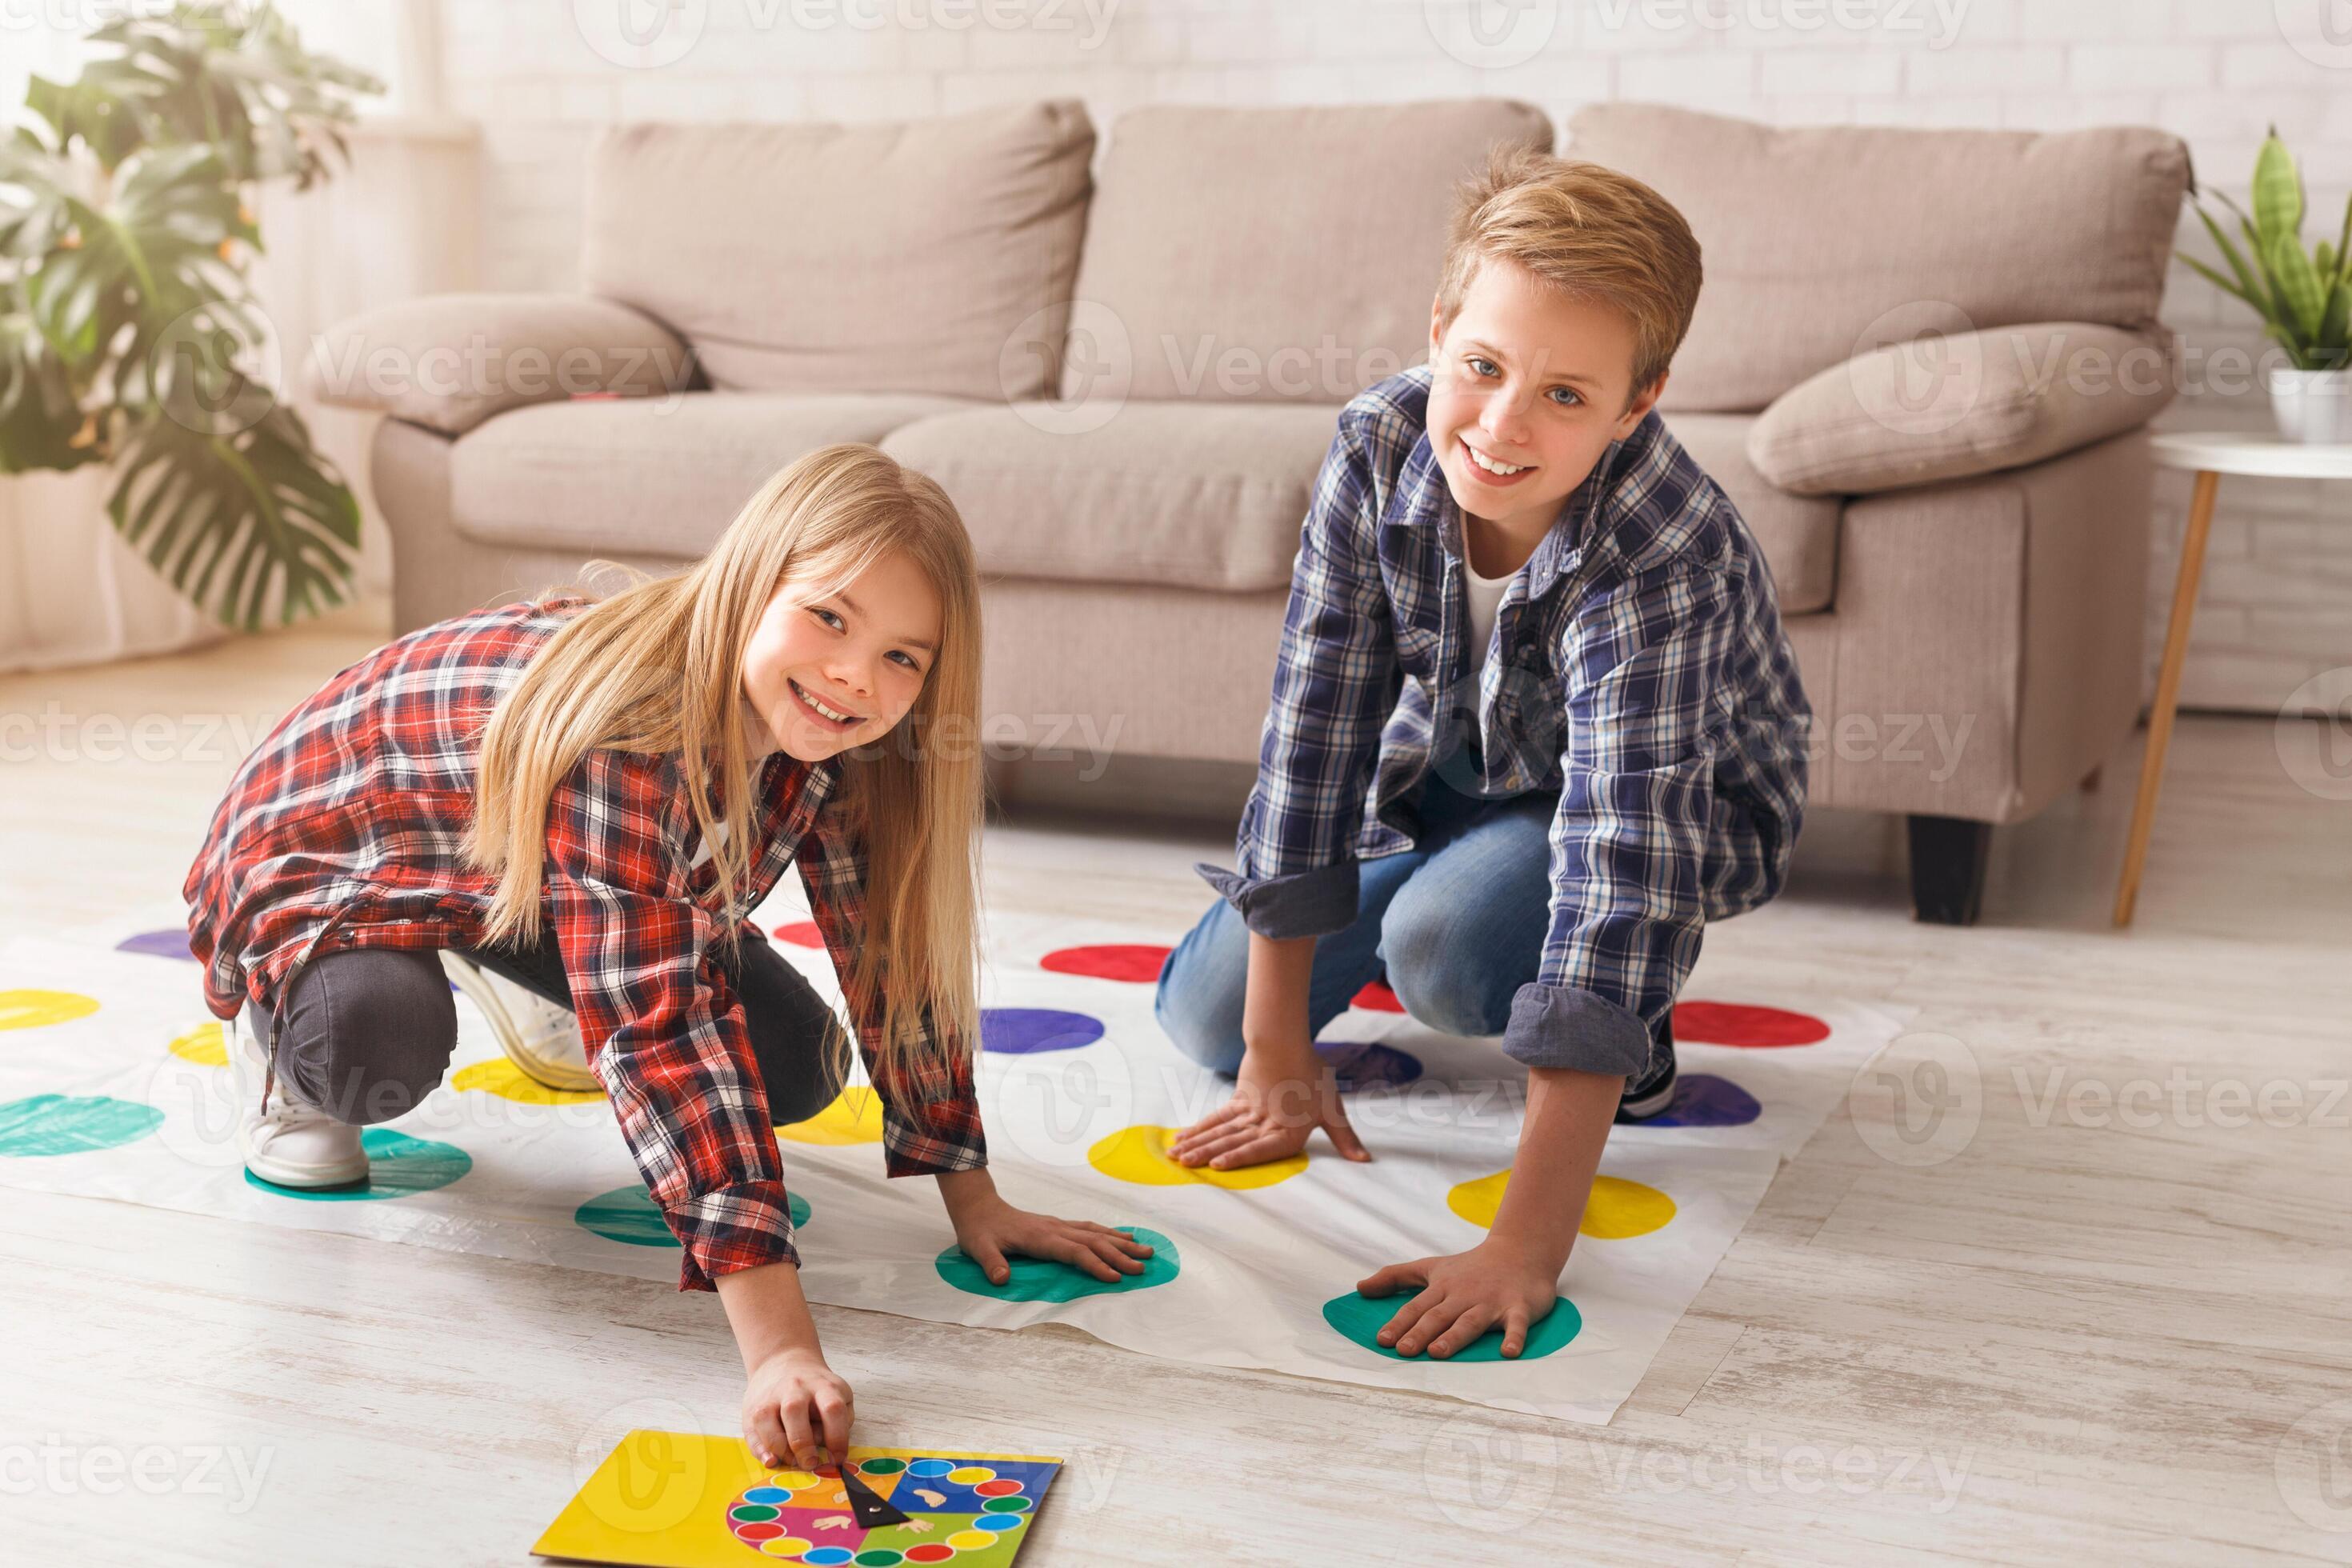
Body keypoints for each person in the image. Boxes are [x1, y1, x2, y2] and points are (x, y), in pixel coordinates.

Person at [185, 443, 1150, 1466]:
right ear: (753, 581)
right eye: (829, 617)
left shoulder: (847, 739)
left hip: (520, 858)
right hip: (339, 855)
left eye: (904, 657)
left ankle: (558, 949)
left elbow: (891, 958)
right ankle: (286, 1038)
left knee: (789, 1064)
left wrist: (975, 1195)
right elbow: (668, 1037)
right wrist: (780, 1351)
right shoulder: (626, 739)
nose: (854, 677)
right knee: (376, 1052)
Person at [1155, 150, 1810, 1360]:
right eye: (1485, 367)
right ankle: (1447, 931)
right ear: (1442, 330)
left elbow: (1624, 858)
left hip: (1659, 813)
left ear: (1639, 400)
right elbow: (1316, 732)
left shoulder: (1668, 549)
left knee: (1444, 959)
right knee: (1207, 1020)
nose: (1503, 426)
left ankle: (1631, 1030)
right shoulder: (1374, 446)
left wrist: (1524, 1243)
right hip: (1454, 769)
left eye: (1567, 395)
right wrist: (1275, 1055)